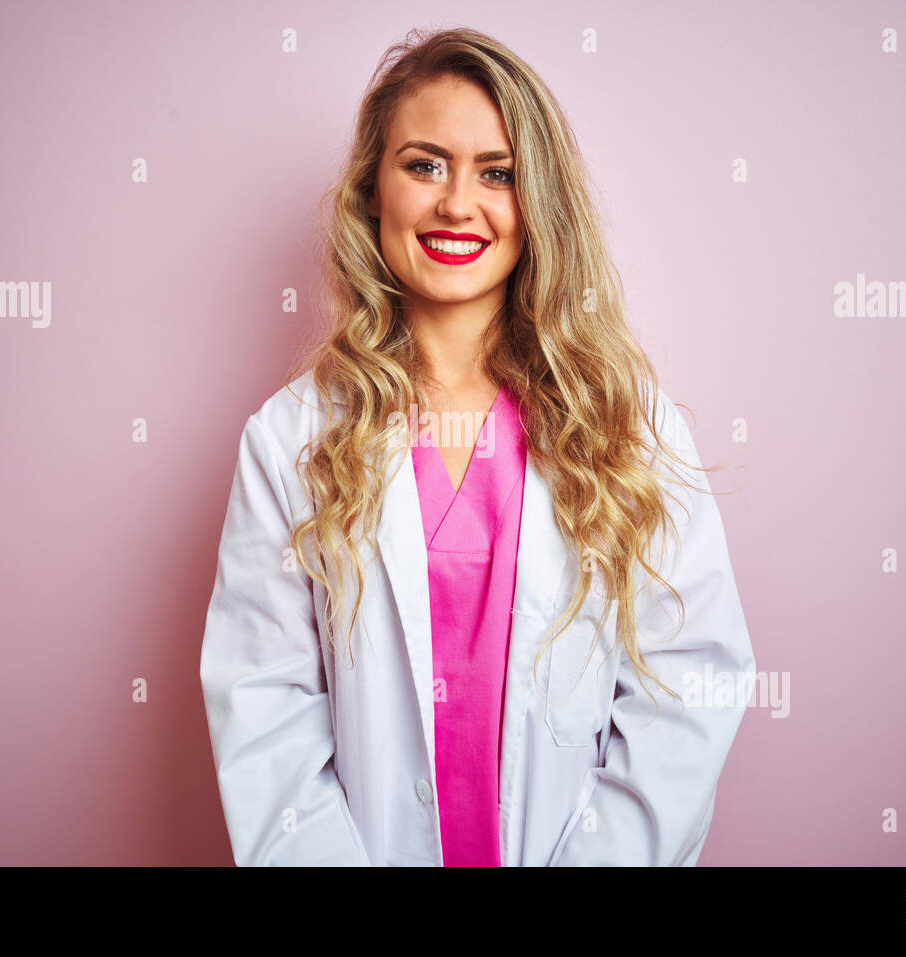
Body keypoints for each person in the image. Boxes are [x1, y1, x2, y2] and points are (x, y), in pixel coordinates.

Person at [199, 26, 755, 866]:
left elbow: (689, 684)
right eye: (424, 164)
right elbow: (263, 711)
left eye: (497, 173)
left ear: (538, 205)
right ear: (372, 190)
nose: (458, 203)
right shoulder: (291, 441)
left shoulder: (625, 423)